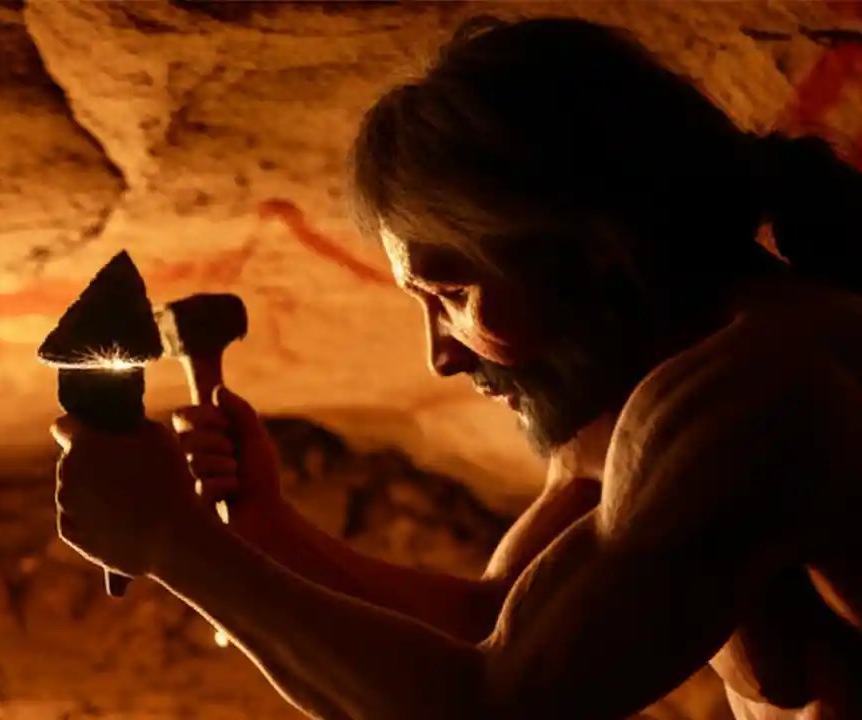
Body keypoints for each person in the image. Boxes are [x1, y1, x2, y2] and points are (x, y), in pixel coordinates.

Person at [49, 16, 862, 720]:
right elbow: (485, 621)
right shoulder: (631, 408)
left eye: (454, 291)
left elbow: (494, 703)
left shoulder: (758, 397)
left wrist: (173, 541)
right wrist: (265, 527)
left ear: (591, 248)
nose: (439, 355)